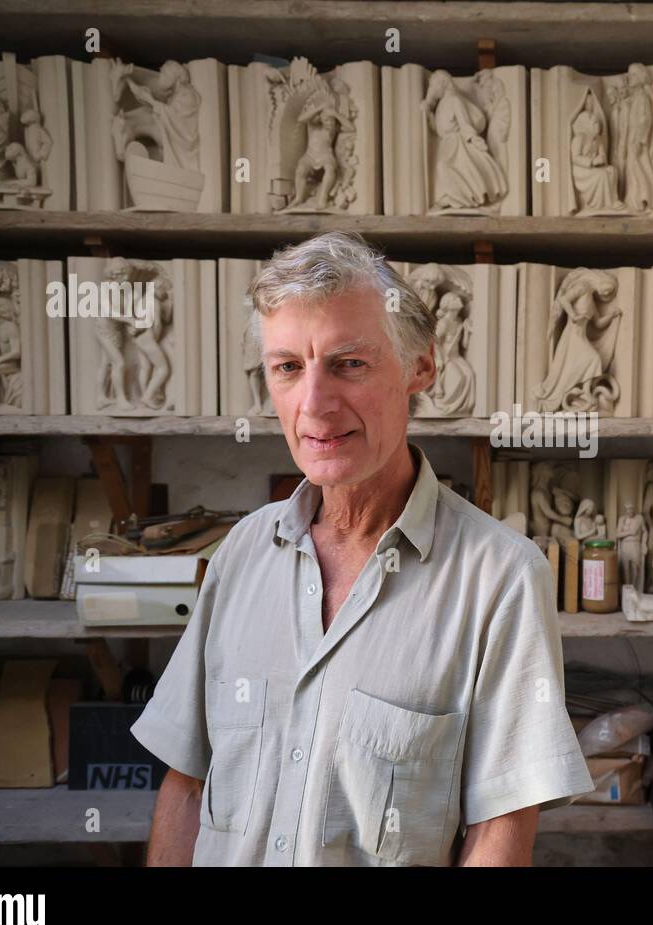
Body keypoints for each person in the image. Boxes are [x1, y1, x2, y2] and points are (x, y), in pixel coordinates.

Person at [132, 232, 593, 866]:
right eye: (288, 367)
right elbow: (185, 787)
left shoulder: (501, 578)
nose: (315, 405)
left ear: (420, 368)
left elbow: (501, 834)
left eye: (349, 363)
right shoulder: (241, 553)